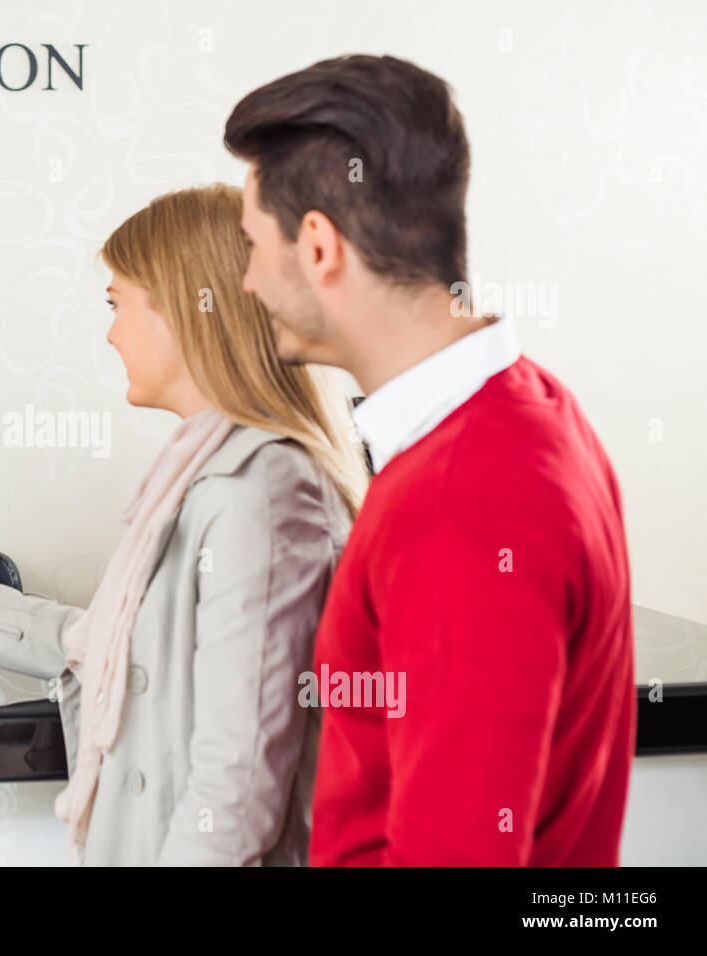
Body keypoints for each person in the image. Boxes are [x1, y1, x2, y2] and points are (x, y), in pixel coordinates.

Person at [0, 184, 370, 865]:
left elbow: (235, 788)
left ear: (187, 312)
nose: (110, 331)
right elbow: (116, 646)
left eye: (116, 304)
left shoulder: (260, 490)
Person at [224, 54, 635, 865]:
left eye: (250, 244)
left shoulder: (460, 501)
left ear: (317, 247)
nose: (243, 282)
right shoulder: (530, 406)